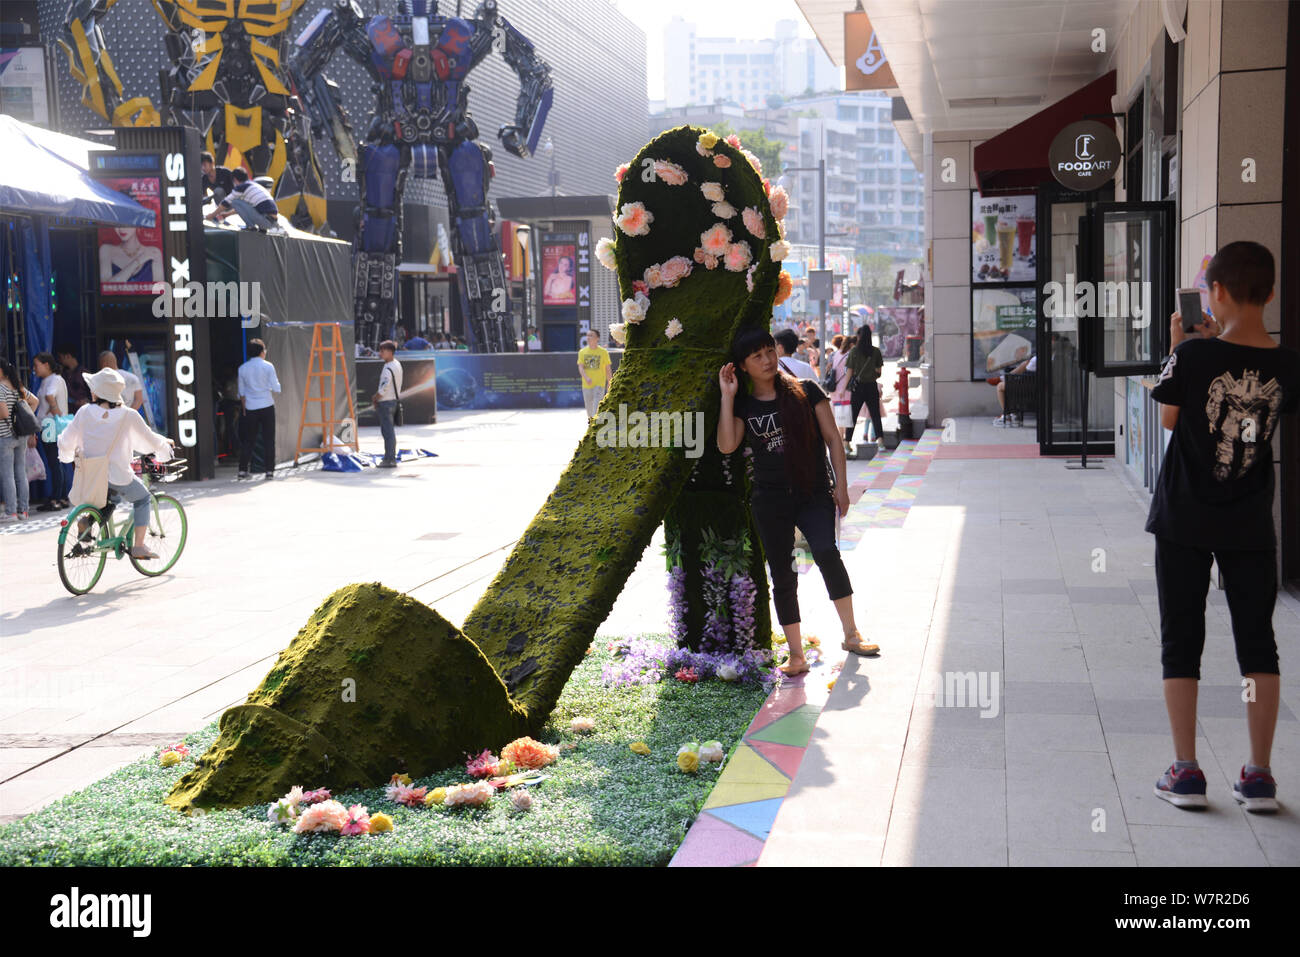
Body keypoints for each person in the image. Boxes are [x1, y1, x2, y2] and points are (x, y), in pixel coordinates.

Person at [1146, 241, 1300, 813]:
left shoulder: (1192, 358)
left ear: (1216, 293)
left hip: (1184, 516)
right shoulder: (1287, 365)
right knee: (1257, 642)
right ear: (1271, 292)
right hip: (1250, 523)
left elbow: (1168, 417)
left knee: (1180, 641)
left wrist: (1181, 346)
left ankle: (1185, 771)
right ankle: (1259, 775)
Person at [717, 328, 879, 676]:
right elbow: (727, 445)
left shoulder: (806, 391)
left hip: (813, 493)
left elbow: (834, 440)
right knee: (782, 573)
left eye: (769, 352)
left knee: (826, 552)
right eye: (757, 356)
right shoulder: (744, 405)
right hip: (769, 499)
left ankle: (851, 633)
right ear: (743, 366)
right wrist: (727, 397)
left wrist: (842, 487)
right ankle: (796, 654)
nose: (767, 360)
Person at [57, 368, 174, 559]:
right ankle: (138, 546)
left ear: (96, 393)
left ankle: (87, 521)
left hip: (92, 475)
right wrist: (163, 445)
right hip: (117, 475)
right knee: (143, 498)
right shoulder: (128, 415)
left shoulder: (84, 412)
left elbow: (67, 441)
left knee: (111, 498)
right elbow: (148, 438)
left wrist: (68, 454)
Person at [237, 338, 281, 480]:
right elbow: (276, 387)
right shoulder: (268, 366)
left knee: (248, 440)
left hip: (250, 407)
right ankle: (269, 471)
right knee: (269, 439)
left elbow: (241, 393)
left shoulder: (243, 368)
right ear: (262, 352)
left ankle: (242, 470)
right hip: (267, 405)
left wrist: (244, 409)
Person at [0, 358, 38, 521]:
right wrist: (26, 418)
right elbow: (35, 401)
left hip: (5, 435)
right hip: (21, 435)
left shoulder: (1, 388)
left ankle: (11, 512)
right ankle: (23, 510)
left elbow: (4, 413)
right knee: (20, 472)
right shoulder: (18, 387)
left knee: (7, 474)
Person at [33, 352, 70, 510]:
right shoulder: (51, 379)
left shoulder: (53, 379)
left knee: (55, 462)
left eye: (36, 365)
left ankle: (57, 498)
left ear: (46, 365)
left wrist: (56, 413)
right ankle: (60, 496)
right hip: (52, 424)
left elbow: (49, 396)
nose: (34, 369)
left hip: (50, 425)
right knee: (57, 462)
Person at [844, 325, 886, 450]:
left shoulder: (854, 351)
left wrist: (843, 389)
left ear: (859, 337)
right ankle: (880, 442)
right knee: (875, 414)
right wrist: (872, 374)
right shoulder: (876, 351)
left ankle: (847, 443)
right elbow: (879, 372)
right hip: (871, 386)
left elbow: (849, 371)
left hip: (857, 387)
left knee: (853, 415)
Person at [208, 168, 280, 225]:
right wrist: (226, 215)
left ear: (235, 180)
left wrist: (212, 215)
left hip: (265, 220)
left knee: (235, 202)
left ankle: (250, 226)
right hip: (273, 221)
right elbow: (246, 208)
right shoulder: (253, 185)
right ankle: (261, 229)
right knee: (244, 203)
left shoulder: (241, 187)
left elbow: (225, 203)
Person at [372, 339, 403, 468]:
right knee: (390, 432)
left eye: (383, 351)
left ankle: (389, 459)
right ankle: (390, 457)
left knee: (388, 432)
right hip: (394, 401)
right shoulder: (396, 364)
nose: (380, 353)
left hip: (386, 403)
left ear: (390, 352)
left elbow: (383, 388)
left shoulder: (388, 368)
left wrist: (375, 398)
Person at [98, 227, 164, 287]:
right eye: (117, 224)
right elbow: (107, 288)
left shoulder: (153, 252)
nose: (121, 229)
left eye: (125, 224)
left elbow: (159, 291)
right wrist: (138, 261)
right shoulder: (107, 250)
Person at [991, 353, 1036, 426]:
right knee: (1007, 385)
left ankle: (1007, 414)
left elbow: (1026, 369)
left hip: (1028, 388)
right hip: (1032, 386)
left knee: (1000, 386)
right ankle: (1013, 414)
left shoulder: (1036, 359)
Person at [577, 329, 612, 421]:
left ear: (597, 338)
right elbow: (581, 367)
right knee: (589, 410)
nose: (588, 337)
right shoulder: (582, 352)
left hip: (599, 384)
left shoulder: (603, 352)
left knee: (596, 407)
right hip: (586, 384)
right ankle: (592, 425)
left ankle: (595, 427)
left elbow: (607, 368)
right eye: (587, 335)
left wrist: (610, 382)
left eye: (591, 335)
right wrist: (586, 378)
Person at [57, 345, 93, 412]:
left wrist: (87, 400)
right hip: (66, 412)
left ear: (68, 356)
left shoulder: (84, 373)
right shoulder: (61, 374)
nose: (59, 360)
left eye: (60, 357)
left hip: (82, 411)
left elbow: (93, 392)